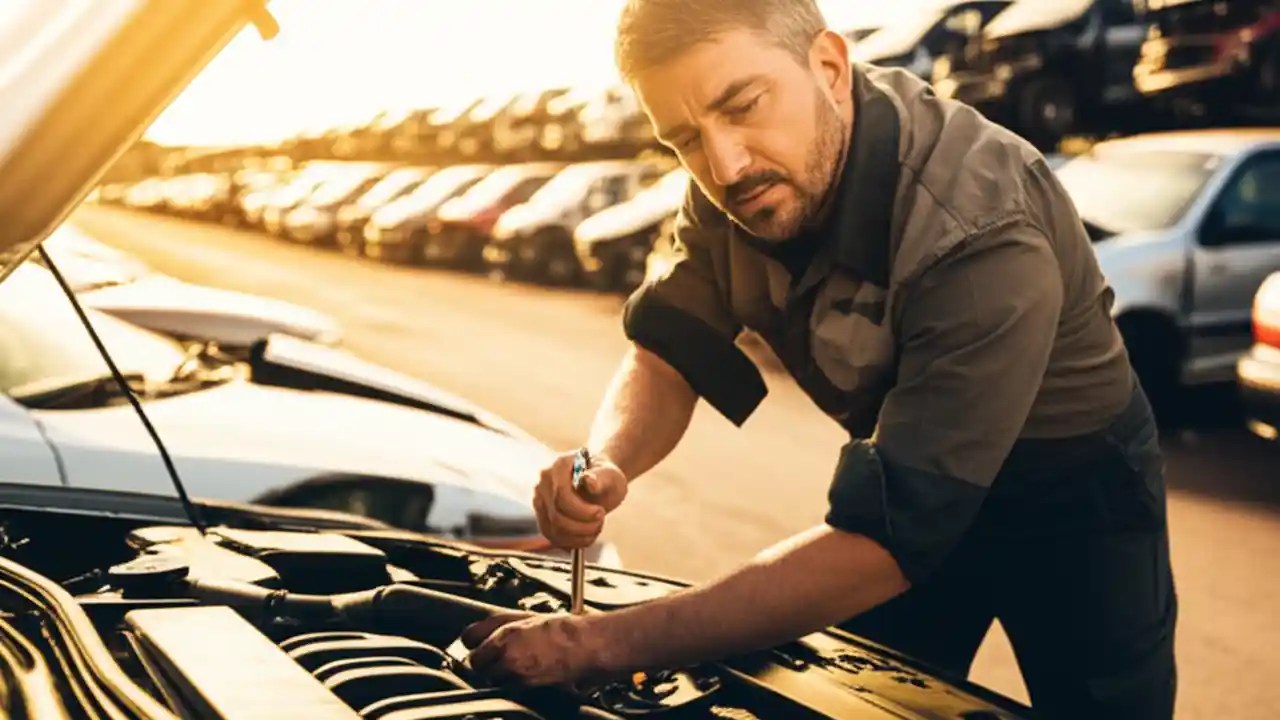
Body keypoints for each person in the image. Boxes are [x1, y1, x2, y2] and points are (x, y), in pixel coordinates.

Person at [460, 1, 1178, 717]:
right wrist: (604, 462)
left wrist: (599, 643)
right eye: (684, 139)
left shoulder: (980, 228)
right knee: (849, 703)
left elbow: (881, 542)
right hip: (902, 471)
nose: (723, 163)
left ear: (830, 68)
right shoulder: (737, 175)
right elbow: (668, 351)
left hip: (1075, 498)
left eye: (742, 105)